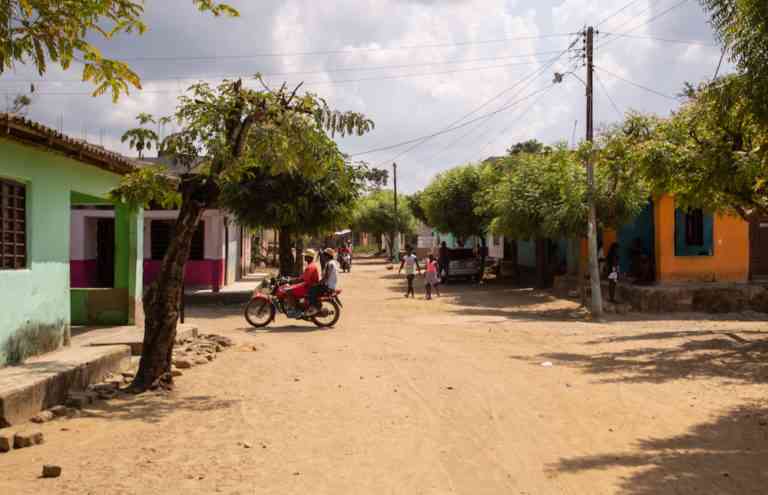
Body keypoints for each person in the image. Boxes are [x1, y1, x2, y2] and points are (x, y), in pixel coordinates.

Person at [285, 249, 320, 316]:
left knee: (289, 291)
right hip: (308, 285)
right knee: (291, 288)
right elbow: (302, 277)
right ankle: (297, 306)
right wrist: (292, 279)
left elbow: (304, 279)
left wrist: (292, 281)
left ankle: (294, 310)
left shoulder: (311, 267)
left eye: (306, 256)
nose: (304, 257)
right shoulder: (310, 265)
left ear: (309, 257)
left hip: (308, 287)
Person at [307, 248, 339, 316]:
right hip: (331, 286)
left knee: (311, 290)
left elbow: (325, 278)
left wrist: (317, 283)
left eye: (324, 255)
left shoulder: (329, 264)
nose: (323, 257)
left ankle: (314, 308)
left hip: (327, 286)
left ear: (327, 256)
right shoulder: (334, 263)